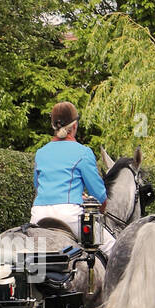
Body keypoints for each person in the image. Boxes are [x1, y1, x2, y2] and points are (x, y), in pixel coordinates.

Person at [31, 102, 115, 251]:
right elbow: (98, 194)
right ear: (74, 126)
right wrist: (101, 207)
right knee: (113, 248)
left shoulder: (40, 152)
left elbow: (38, 186)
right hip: (69, 215)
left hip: (38, 215)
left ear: (53, 126)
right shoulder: (83, 152)